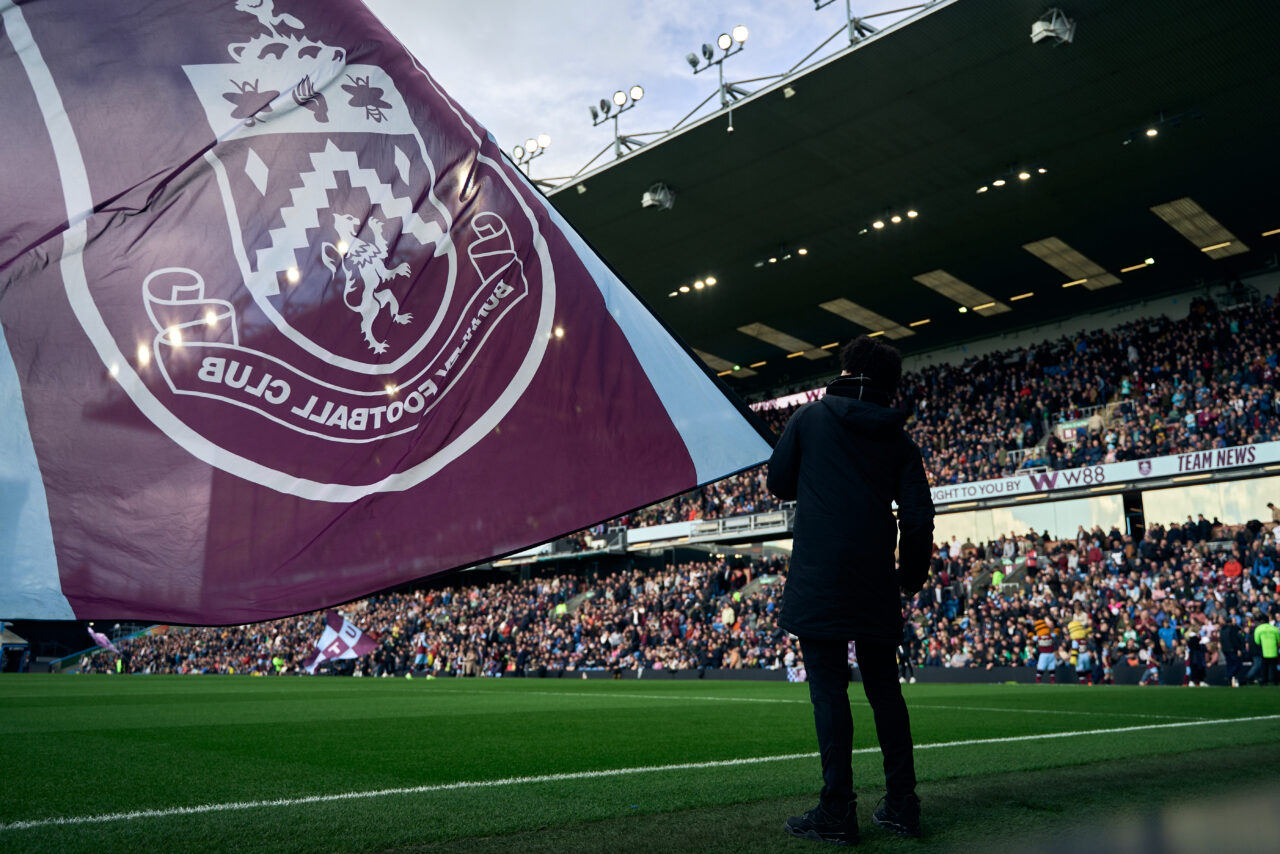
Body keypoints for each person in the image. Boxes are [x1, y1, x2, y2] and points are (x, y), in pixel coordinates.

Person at [768, 336, 935, 845]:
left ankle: (837, 809)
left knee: (828, 690)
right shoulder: (900, 440)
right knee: (885, 689)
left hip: (820, 576)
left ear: (846, 368)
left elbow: (779, 483)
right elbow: (919, 515)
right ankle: (903, 804)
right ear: (890, 382)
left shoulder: (810, 420)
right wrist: (910, 575)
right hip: (874, 579)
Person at [1256, 614, 1280, 686]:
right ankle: (1275, 681)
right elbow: (1278, 640)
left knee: (1264, 667)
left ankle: (1264, 681)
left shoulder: (1259, 629)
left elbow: (1256, 640)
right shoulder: (1274, 628)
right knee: (1273, 667)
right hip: (1273, 650)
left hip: (1264, 651)